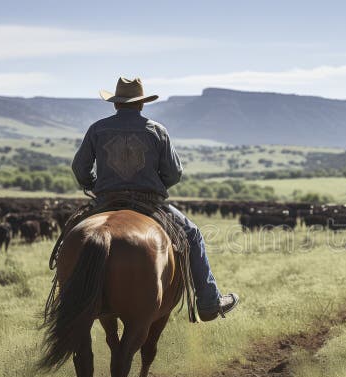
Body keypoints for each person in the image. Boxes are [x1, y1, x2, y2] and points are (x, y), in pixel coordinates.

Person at [71, 77, 238, 321]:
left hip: (106, 200)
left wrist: (93, 184)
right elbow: (174, 173)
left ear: (115, 103)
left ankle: (64, 295)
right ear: (141, 104)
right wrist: (156, 185)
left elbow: (80, 168)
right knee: (192, 234)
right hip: (148, 202)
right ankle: (209, 302)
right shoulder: (157, 130)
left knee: (71, 236)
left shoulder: (97, 129)